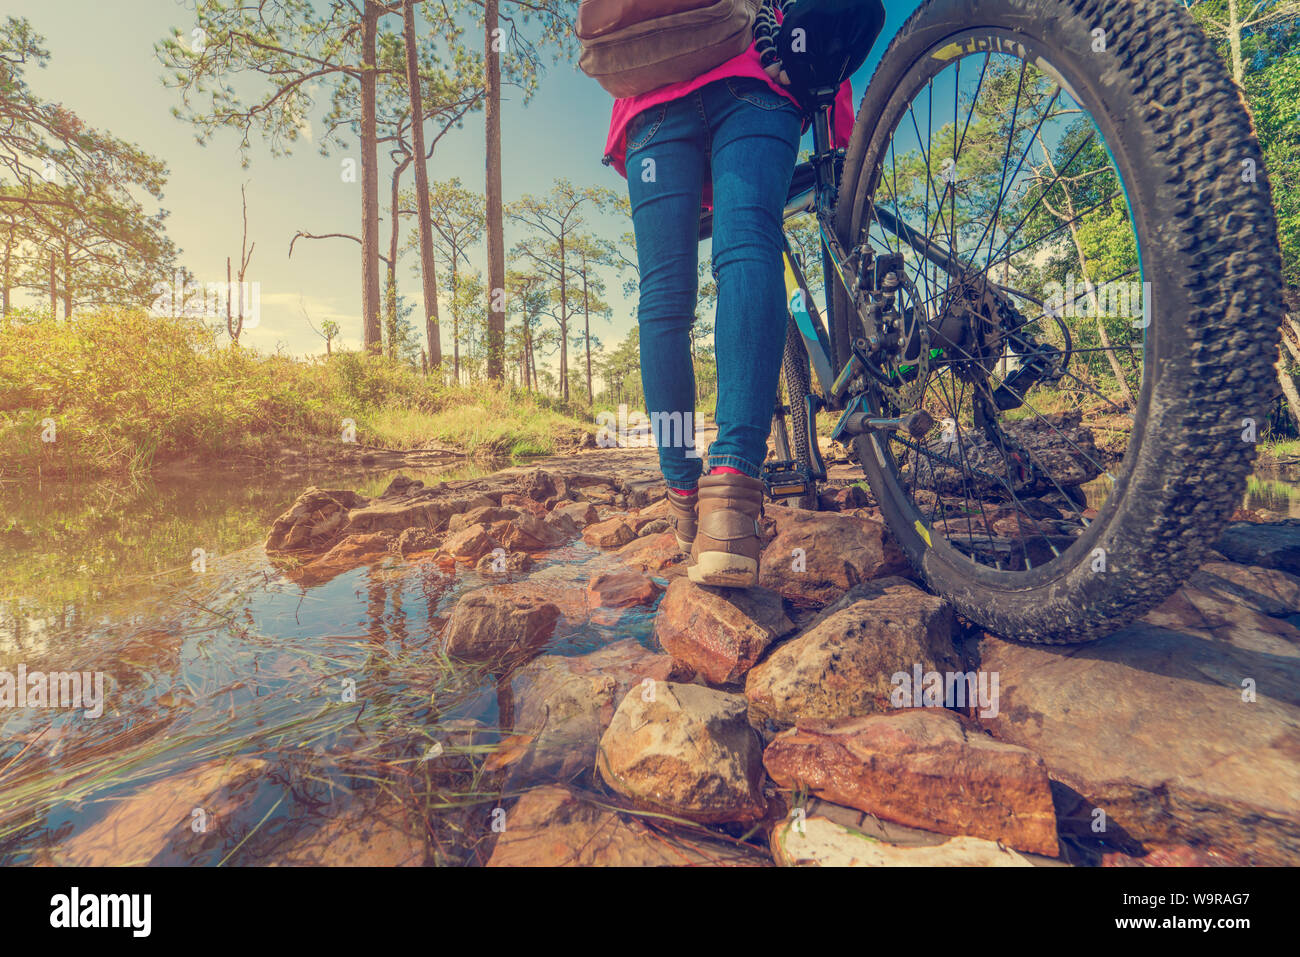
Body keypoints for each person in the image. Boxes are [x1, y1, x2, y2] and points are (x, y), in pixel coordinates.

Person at [601, 2, 853, 588]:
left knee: (662, 298)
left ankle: (685, 498)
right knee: (747, 248)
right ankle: (733, 502)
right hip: (756, 74)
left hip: (650, 88)